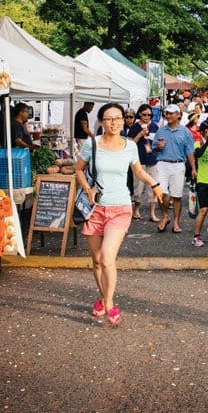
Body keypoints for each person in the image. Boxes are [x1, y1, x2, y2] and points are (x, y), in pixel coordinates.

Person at [76, 103, 165, 326]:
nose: (114, 122)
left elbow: (138, 170)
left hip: (120, 208)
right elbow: (78, 169)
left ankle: (108, 304)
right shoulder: (91, 144)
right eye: (109, 119)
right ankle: (105, 297)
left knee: (107, 257)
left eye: (118, 118)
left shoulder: (129, 146)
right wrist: (87, 189)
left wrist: (154, 184)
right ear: (101, 122)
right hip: (95, 208)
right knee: (96, 262)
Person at [154, 104, 197, 234]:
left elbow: (190, 151)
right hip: (162, 163)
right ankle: (165, 216)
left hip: (178, 164)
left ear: (179, 115)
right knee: (160, 193)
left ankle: (176, 222)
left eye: (172, 113)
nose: (169, 115)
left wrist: (194, 169)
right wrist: (158, 147)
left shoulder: (185, 132)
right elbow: (154, 147)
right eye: (167, 113)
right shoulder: (160, 130)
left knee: (177, 195)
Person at [127, 104, 160, 221]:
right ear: (139, 114)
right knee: (138, 186)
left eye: (149, 115)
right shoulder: (134, 127)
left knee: (153, 186)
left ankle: (152, 213)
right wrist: (140, 134)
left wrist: (159, 146)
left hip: (152, 159)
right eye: (144, 114)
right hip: (138, 160)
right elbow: (130, 144)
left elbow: (158, 143)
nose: (147, 117)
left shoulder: (155, 127)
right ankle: (136, 210)